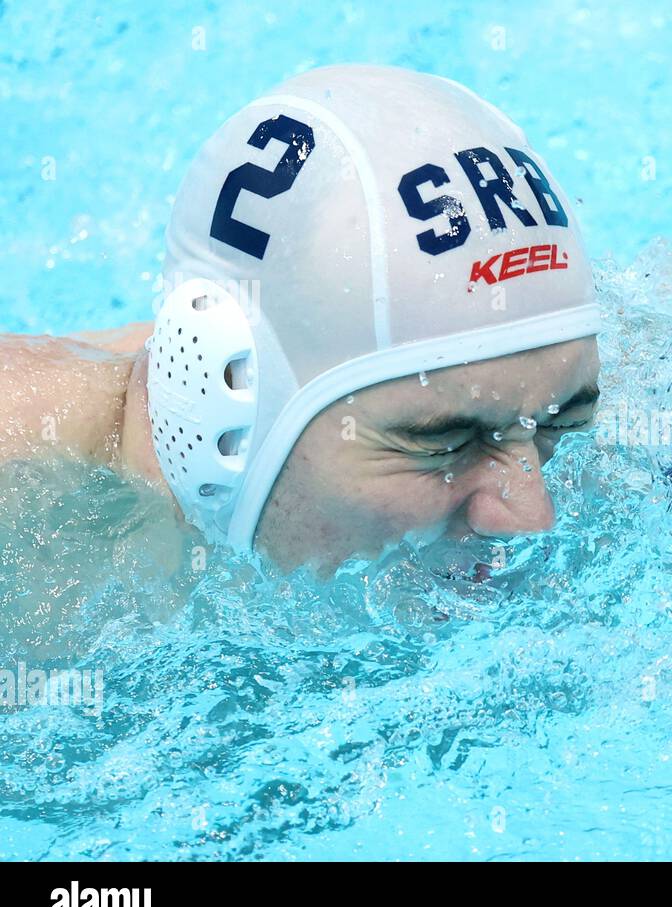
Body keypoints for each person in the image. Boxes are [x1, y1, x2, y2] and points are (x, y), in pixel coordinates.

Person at [0, 65, 602, 571]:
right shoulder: (26, 501)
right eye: (444, 442)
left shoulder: (549, 385)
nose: (532, 518)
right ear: (225, 392)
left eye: (560, 424)